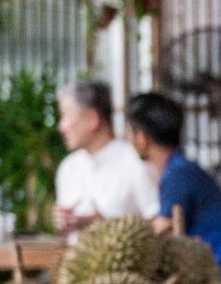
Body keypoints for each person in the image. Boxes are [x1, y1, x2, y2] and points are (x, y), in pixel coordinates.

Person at [125, 92, 221, 284]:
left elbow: (160, 233)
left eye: (128, 133)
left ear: (141, 137)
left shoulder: (178, 175)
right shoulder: (181, 169)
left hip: (212, 283)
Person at [53, 80, 158, 232]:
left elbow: (159, 225)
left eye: (65, 116)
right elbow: (64, 237)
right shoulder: (67, 168)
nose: (61, 127)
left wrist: (105, 224)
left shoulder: (136, 162)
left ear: (92, 119)